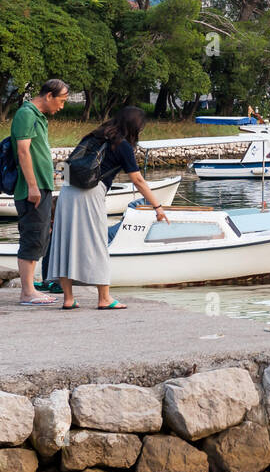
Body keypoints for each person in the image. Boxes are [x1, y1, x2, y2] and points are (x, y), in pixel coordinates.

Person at [48, 106, 168, 310]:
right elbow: (138, 179)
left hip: (68, 190)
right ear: (135, 127)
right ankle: (103, 298)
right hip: (90, 192)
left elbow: (68, 166)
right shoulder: (122, 146)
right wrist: (157, 206)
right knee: (98, 242)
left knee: (64, 241)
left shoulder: (95, 135)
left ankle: (68, 298)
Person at [12, 79, 70, 305]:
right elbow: (23, 152)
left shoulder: (39, 117)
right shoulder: (26, 114)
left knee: (39, 236)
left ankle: (31, 288)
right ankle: (27, 292)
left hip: (43, 186)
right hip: (32, 189)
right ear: (49, 96)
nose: (62, 106)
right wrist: (33, 186)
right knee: (33, 235)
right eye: (62, 101)